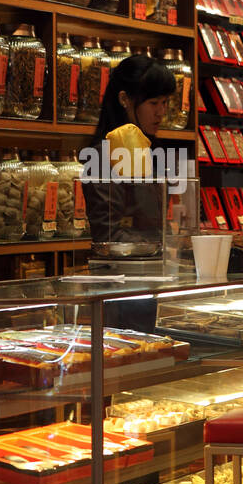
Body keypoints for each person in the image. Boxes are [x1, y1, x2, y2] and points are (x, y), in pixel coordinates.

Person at [82, 54, 178, 331]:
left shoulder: (152, 151)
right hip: (120, 291)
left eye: (165, 103)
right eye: (153, 103)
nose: (161, 112)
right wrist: (163, 247)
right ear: (125, 99)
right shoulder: (104, 154)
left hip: (150, 284)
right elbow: (108, 235)